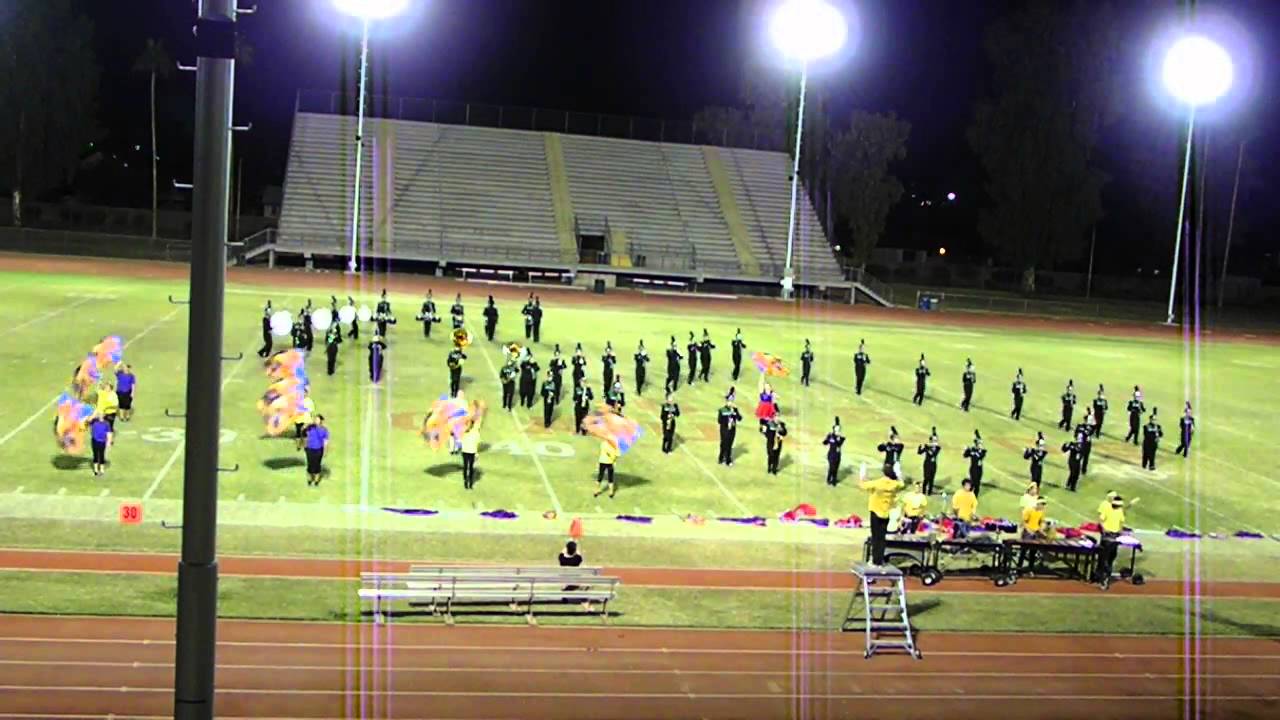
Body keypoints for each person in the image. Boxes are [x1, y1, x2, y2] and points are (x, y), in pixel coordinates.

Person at [859, 470, 905, 566]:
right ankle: (880, 559)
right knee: (882, 537)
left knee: (875, 537)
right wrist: (899, 474)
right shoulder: (894, 484)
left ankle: (875, 560)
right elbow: (902, 484)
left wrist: (862, 475)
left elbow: (863, 485)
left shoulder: (878, 483)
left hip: (876, 511)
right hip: (886, 513)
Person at [1095, 494, 1128, 589]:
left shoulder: (1119, 511)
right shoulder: (1108, 509)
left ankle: (1104, 577)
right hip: (1107, 537)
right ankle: (1103, 579)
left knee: (1109, 559)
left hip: (1114, 537)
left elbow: (1121, 522)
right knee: (1105, 559)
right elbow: (1101, 520)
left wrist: (1120, 530)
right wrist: (1104, 529)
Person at [1018, 497, 1049, 570]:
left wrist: (1042, 531)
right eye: (1042, 504)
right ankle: (1019, 568)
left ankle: (1030, 569)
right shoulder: (1029, 510)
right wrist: (1029, 530)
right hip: (1027, 533)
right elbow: (1024, 522)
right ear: (1038, 503)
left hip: (1035, 533)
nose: (1043, 506)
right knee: (1023, 551)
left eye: (1044, 505)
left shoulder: (1041, 512)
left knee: (1033, 552)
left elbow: (1041, 522)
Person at [717, 390, 742, 466]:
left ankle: (728, 459)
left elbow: (740, 418)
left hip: (732, 430)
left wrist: (736, 412)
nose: (731, 403)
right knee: (724, 444)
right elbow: (719, 421)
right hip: (724, 430)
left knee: (730, 445)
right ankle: (721, 458)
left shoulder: (734, 409)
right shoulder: (722, 410)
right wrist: (727, 423)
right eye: (729, 401)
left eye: (732, 401)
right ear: (726, 402)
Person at [304, 415, 329, 486]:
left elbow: (325, 441)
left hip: (319, 449)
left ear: (321, 421)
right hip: (309, 449)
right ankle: (309, 480)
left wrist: (325, 451)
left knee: (317, 465)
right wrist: (309, 423)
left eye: (317, 419)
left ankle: (316, 481)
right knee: (310, 464)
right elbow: (303, 429)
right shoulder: (310, 427)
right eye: (315, 419)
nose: (316, 420)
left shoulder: (324, 430)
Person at [459, 413, 482, 489]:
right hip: (468, 450)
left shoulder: (467, 431)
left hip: (468, 450)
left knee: (468, 466)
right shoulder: (473, 431)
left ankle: (468, 481)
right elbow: (477, 442)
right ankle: (468, 482)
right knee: (468, 467)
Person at [962, 431, 987, 496]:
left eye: (980, 444)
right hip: (973, 469)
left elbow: (980, 456)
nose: (980, 445)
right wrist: (966, 450)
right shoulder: (972, 450)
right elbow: (965, 455)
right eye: (979, 444)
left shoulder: (982, 451)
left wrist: (977, 435)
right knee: (972, 483)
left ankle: (975, 497)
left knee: (977, 484)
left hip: (979, 470)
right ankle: (969, 495)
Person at [88, 413, 113, 477]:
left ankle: (102, 470)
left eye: (101, 414)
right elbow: (88, 420)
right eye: (99, 414)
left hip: (102, 441)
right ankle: (96, 471)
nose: (100, 416)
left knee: (102, 455)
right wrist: (94, 415)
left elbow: (109, 433)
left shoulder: (106, 423)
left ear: (104, 415)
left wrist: (109, 442)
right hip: (95, 440)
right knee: (95, 455)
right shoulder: (94, 421)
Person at [823, 418, 845, 486]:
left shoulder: (840, 438)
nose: (839, 431)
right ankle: (829, 480)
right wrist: (827, 440)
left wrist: (837, 422)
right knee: (832, 468)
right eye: (837, 430)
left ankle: (834, 481)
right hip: (831, 455)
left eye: (839, 430)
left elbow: (839, 444)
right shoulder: (830, 436)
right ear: (834, 430)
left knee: (836, 468)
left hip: (837, 455)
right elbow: (825, 443)